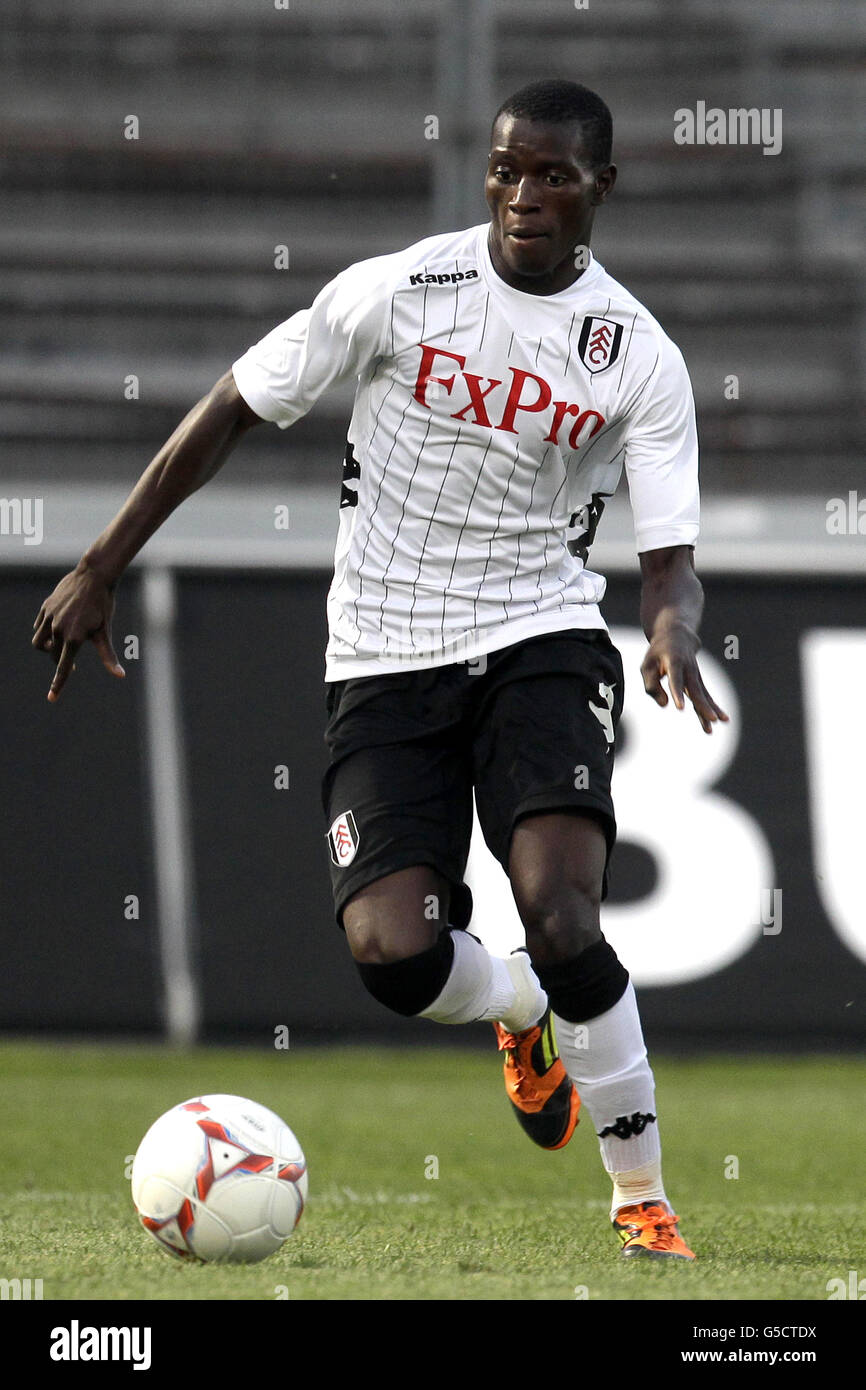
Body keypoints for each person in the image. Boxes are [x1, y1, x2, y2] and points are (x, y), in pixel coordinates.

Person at [33, 78, 727, 1260]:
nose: (522, 195)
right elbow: (232, 406)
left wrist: (665, 630)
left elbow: (668, 562)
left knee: (561, 911)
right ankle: (517, 1011)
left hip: (540, 636)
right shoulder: (397, 292)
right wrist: (101, 560)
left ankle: (640, 1199)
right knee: (391, 954)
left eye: (552, 175)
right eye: (506, 170)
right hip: (383, 651)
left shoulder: (636, 359)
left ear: (599, 188)